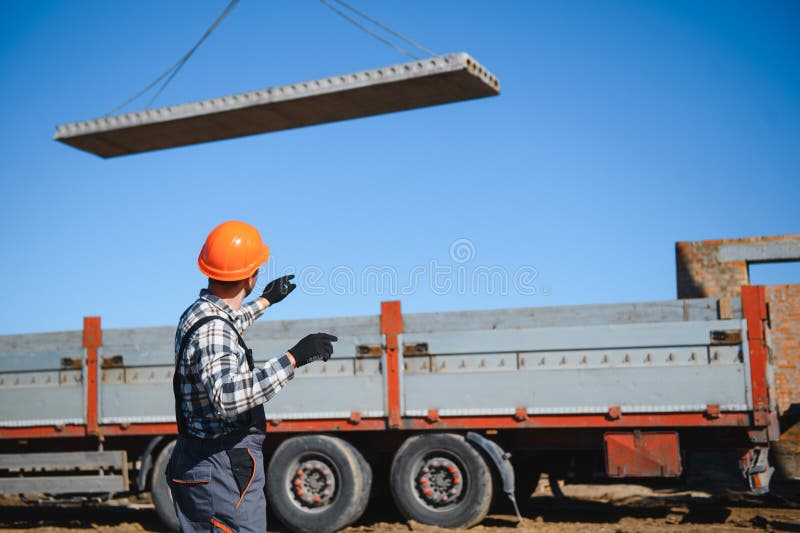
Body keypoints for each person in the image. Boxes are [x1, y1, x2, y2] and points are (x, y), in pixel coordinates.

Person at [167, 220, 337, 533]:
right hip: (221, 467)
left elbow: (226, 321)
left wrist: (265, 301)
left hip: (203, 459)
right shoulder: (214, 329)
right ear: (251, 275)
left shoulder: (198, 313)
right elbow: (228, 398)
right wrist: (293, 358)